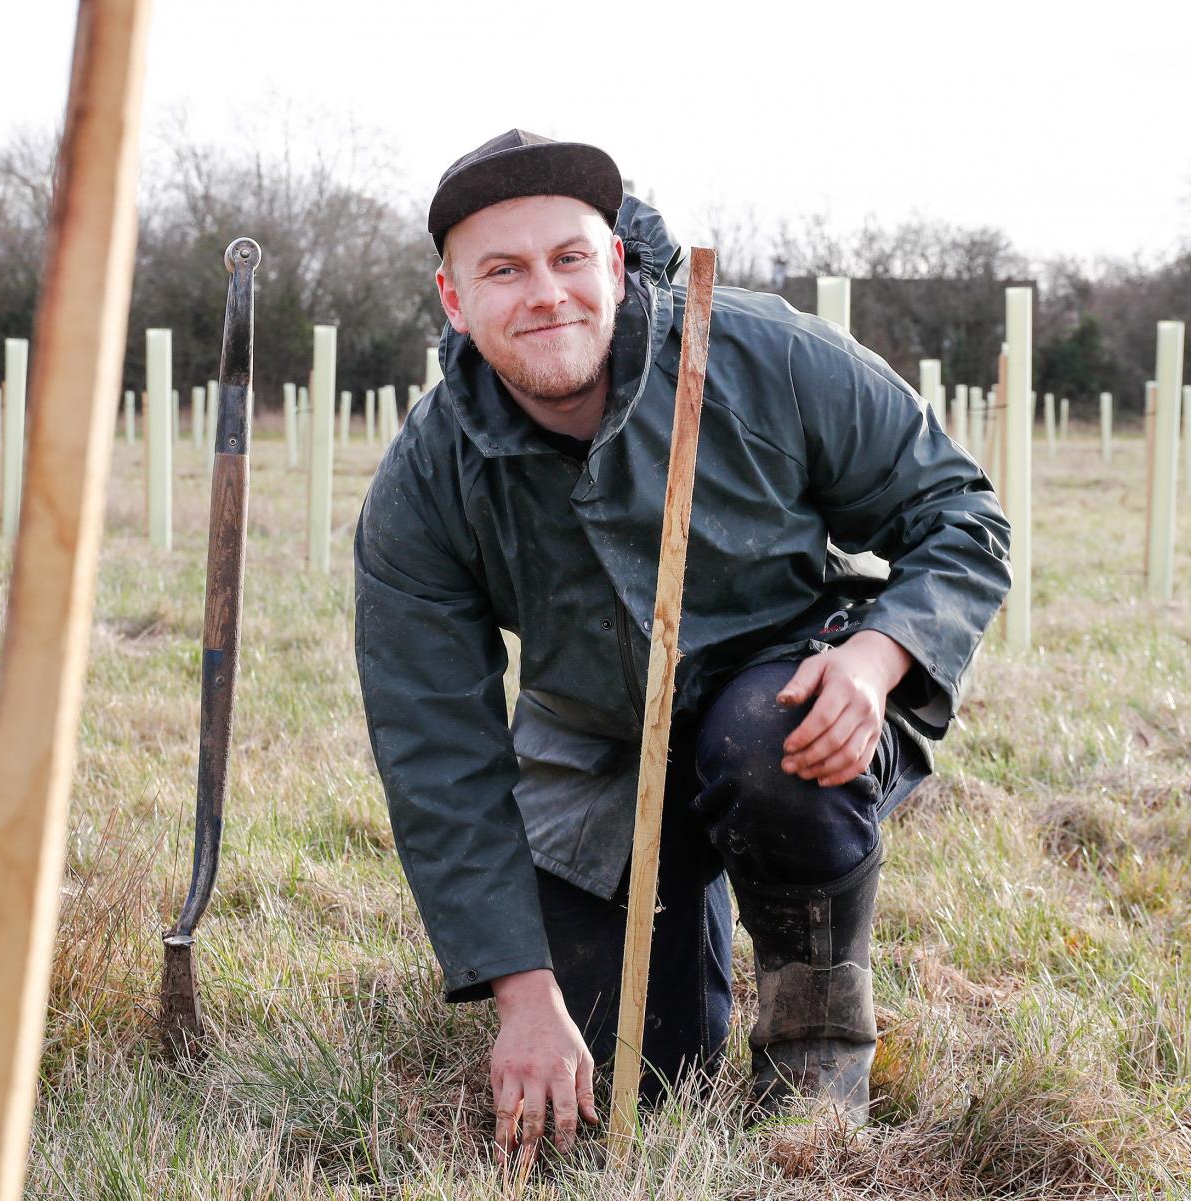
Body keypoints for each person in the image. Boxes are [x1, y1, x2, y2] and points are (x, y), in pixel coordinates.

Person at [354, 129, 1011, 1162]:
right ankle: (661, 958)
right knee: (636, 1087)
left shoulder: (764, 354)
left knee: (764, 741)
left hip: (787, 705)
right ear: (453, 299)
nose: (547, 294)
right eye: (505, 270)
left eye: (570, 257)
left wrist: (877, 657)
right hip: (597, 752)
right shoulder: (427, 481)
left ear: (614, 261)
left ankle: (817, 1033)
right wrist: (520, 994)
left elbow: (958, 514)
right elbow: (437, 751)